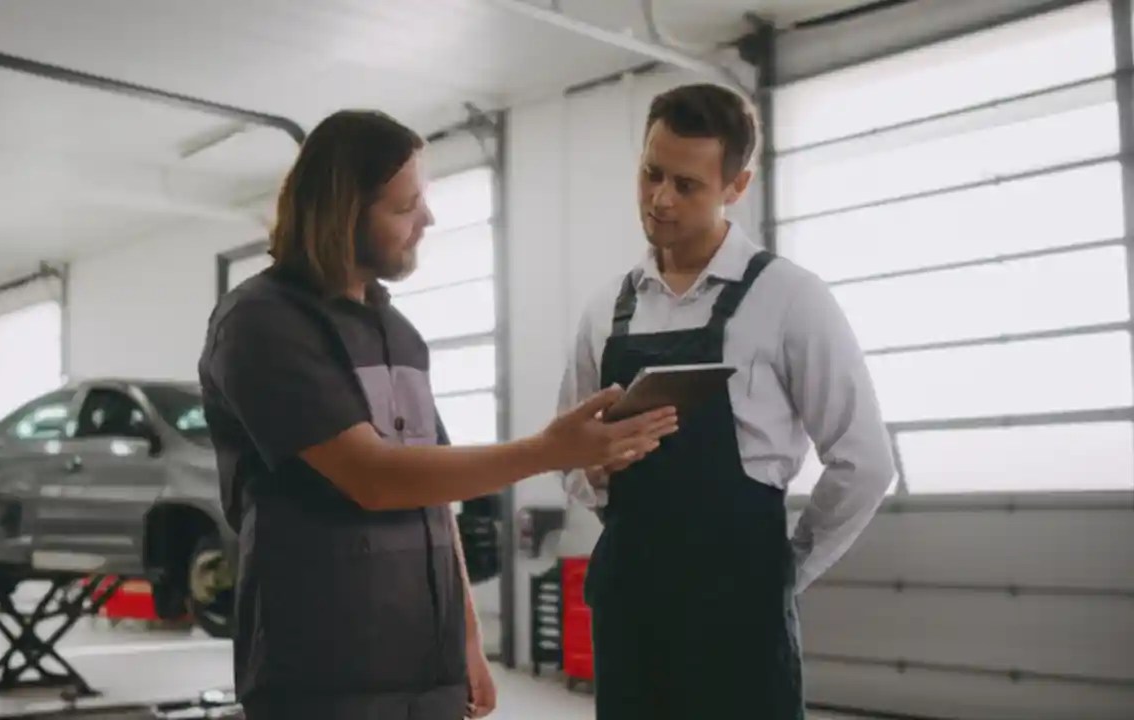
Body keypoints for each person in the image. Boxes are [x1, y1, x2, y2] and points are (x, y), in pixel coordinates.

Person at [197, 109, 679, 720]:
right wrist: (552, 450)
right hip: (322, 673)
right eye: (405, 207)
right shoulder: (262, 324)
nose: (427, 219)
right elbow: (373, 477)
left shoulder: (399, 334)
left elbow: (434, 493)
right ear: (343, 212)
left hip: (426, 670)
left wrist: (468, 643)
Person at [557, 83, 897, 718]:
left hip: (741, 609)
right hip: (631, 602)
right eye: (651, 173)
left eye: (687, 185)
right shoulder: (605, 310)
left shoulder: (791, 299)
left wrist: (787, 572)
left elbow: (865, 461)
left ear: (735, 187)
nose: (660, 199)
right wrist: (597, 478)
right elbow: (567, 451)